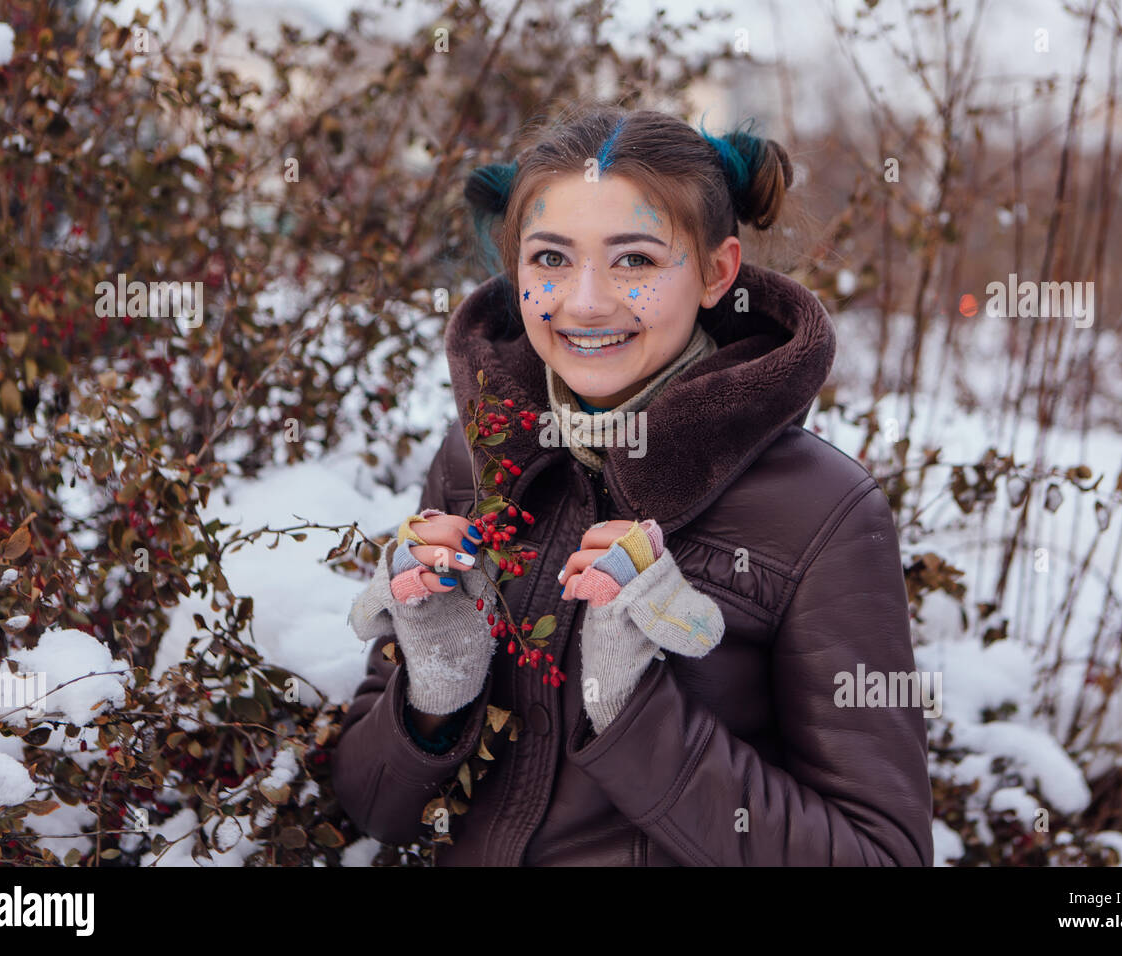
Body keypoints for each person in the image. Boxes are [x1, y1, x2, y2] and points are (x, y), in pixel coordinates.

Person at [333, 102, 935, 866]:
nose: (585, 301)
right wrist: (436, 691)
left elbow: (883, 856)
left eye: (636, 261)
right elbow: (370, 805)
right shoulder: (476, 458)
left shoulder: (821, 514)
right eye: (551, 258)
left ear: (718, 271)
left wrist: (632, 710)